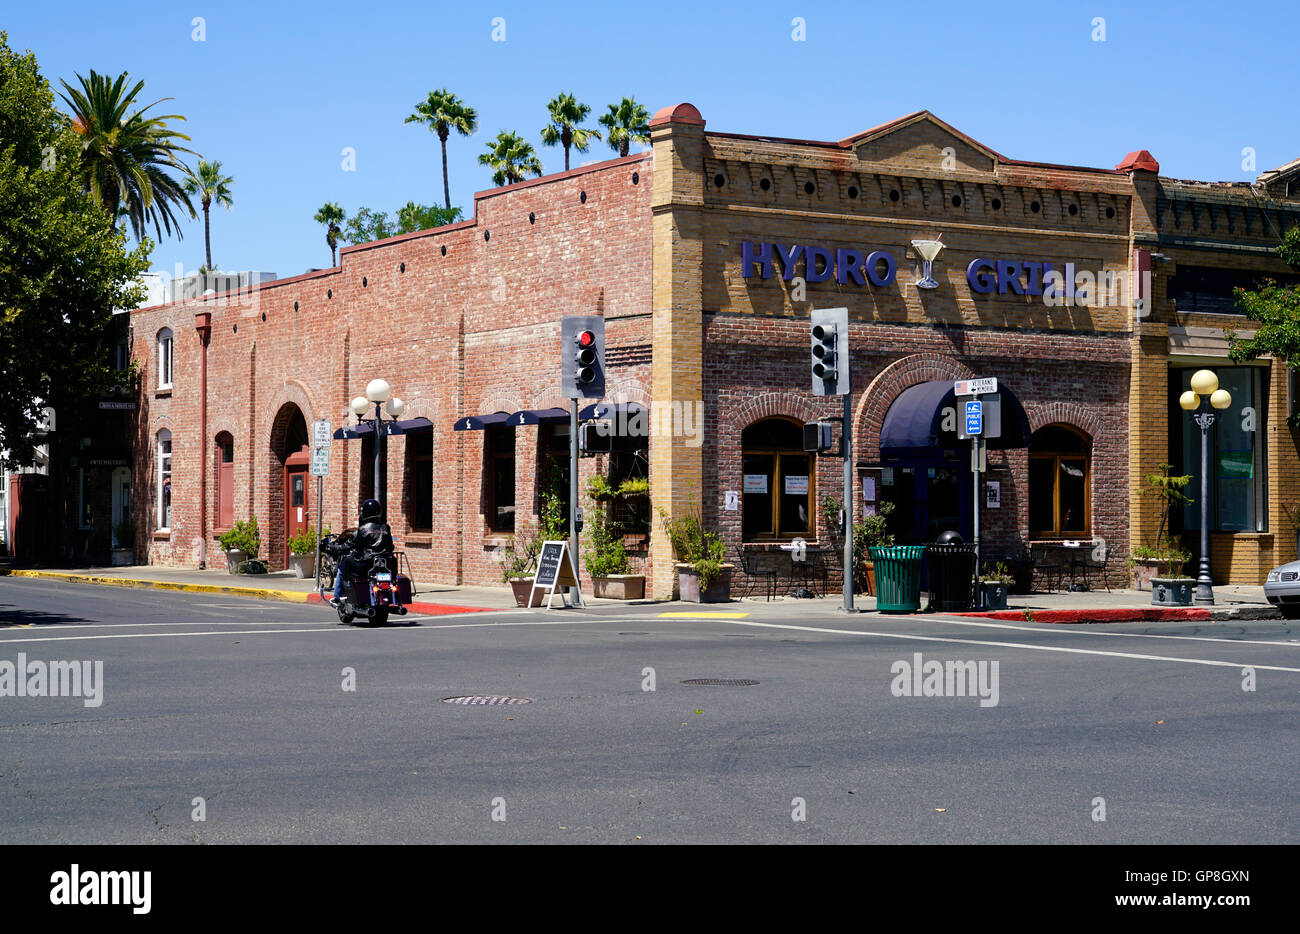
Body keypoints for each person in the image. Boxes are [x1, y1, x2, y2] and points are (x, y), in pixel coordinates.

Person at [331, 498, 395, 606]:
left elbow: (356, 547)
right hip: (387, 563)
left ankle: (337, 597)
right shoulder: (386, 528)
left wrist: (352, 553)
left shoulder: (363, 529)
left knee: (343, 566)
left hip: (367, 564)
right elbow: (391, 547)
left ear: (364, 512)